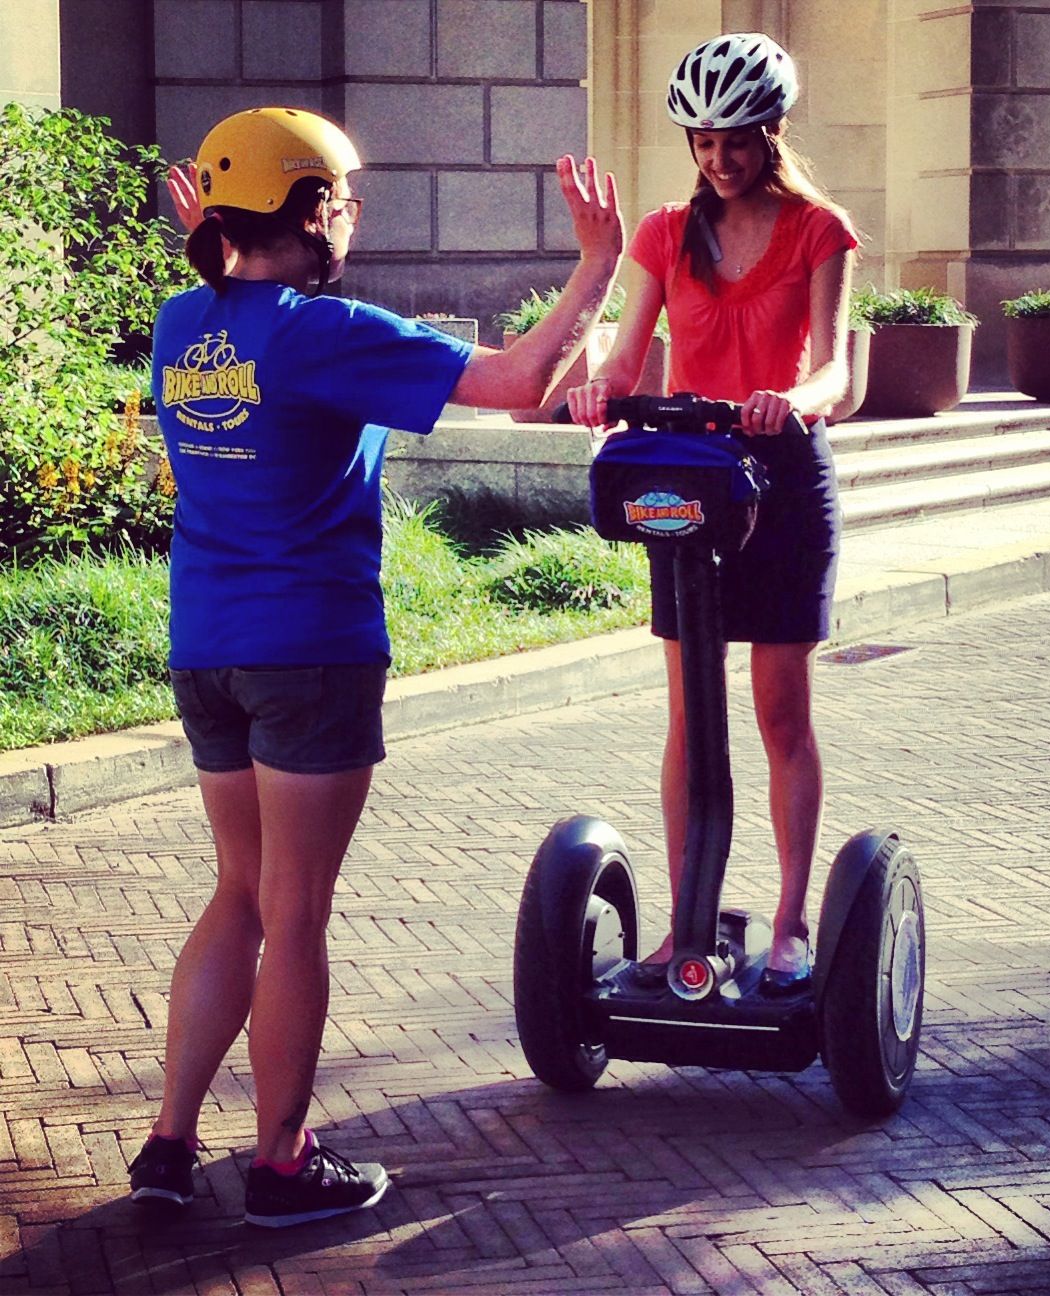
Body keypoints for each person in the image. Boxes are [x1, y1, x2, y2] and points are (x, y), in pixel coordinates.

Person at [126, 106, 622, 1227]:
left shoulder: (179, 324)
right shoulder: (324, 331)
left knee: (241, 895)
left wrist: (217, 245)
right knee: (295, 914)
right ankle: (282, 1166)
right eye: (342, 200)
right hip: (310, 651)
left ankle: (167, 1146)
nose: (351, 219)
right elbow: (523, 383)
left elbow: (228, 293)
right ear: (307, 210)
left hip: (207, 648)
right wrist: (597, 265)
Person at [567, 33, 856, 994]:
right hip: (692, 486)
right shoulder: (661, 234)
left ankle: (788, 921)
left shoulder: (820, 230)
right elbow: (627, 353)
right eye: (702, 140)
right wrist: (599, 393)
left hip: (782, 479)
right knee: (692, 714)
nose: (717, 157)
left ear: (769, 132)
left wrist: (796, 400)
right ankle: (688, 920)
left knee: (779, 712)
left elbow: (836, 369)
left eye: (735, 139)